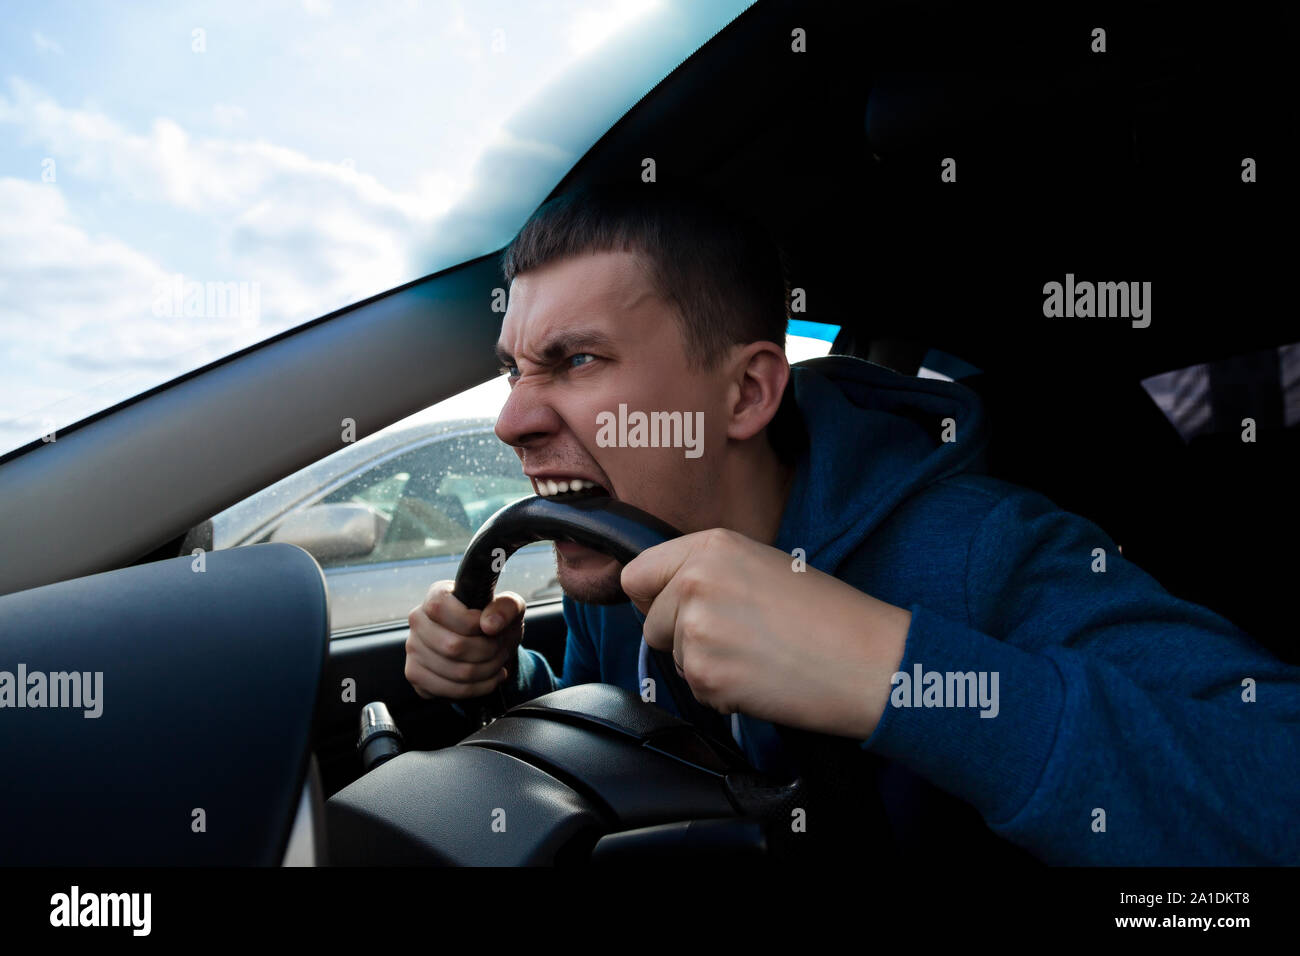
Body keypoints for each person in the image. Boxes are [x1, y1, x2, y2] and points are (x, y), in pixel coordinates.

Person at [404, 183, 1300, 864]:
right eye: (516, 370)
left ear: (747, 391)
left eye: (577, 360)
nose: (512, 420)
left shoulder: (979, 551)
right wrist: (503, 679)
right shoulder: (617, 551)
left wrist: (890, 670)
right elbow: (634, 742)